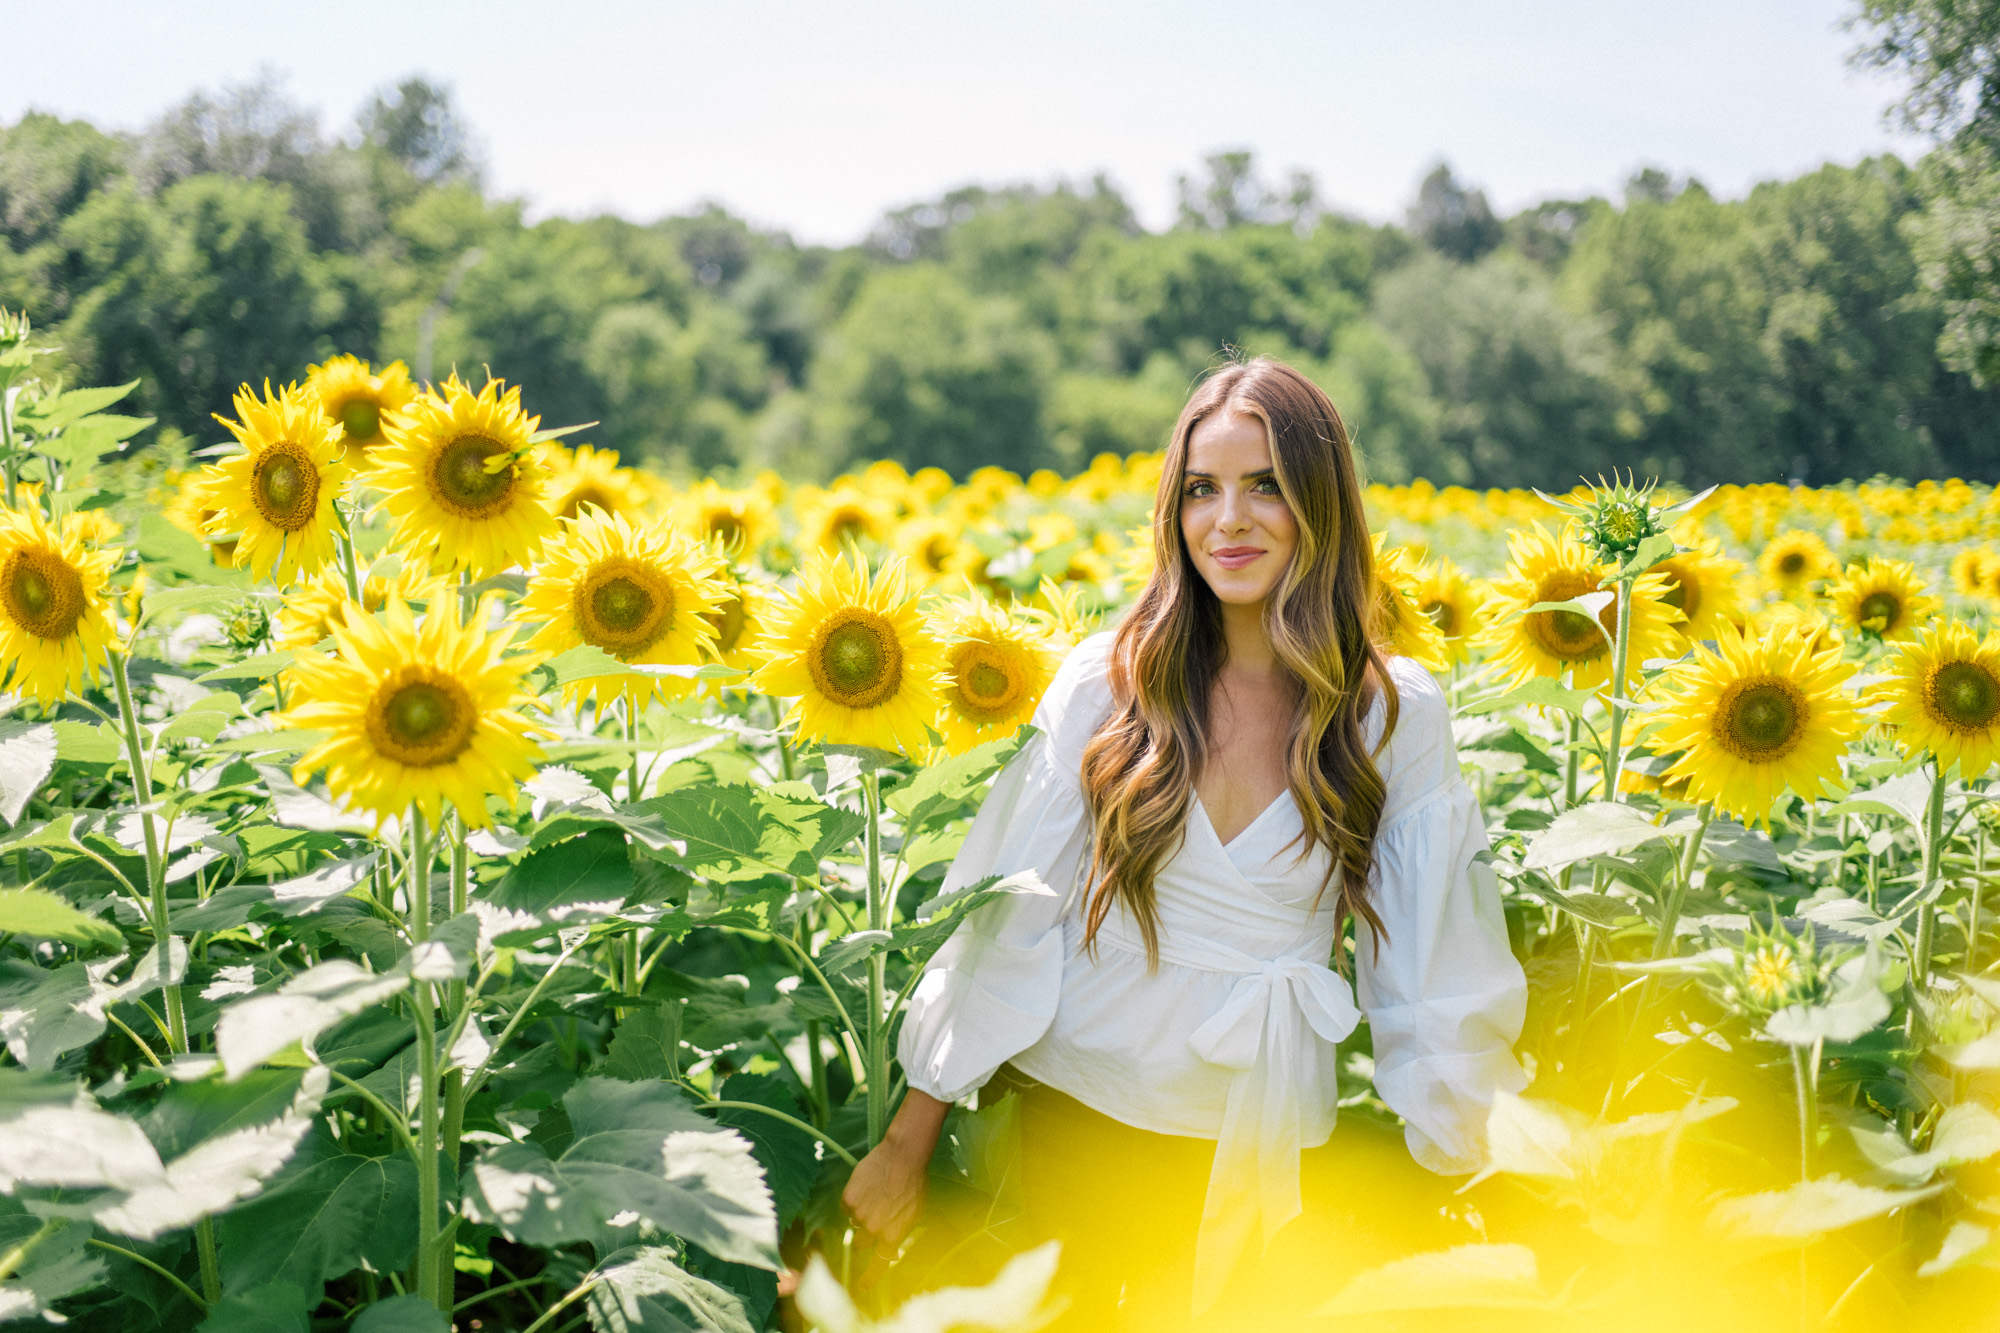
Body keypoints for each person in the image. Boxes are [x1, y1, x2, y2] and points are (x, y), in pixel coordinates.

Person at [840, 357, 1528, 1324]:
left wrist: (1467, 1165)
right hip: (1082, 1104)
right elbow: (1006, 911)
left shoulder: (1389, 713)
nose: (1229, 520)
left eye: (1266, 487)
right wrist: (910, 1140)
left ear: (1321, 507)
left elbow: (1434, 962)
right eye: (1203, 488)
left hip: (1260, 1123)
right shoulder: (1110, 682)